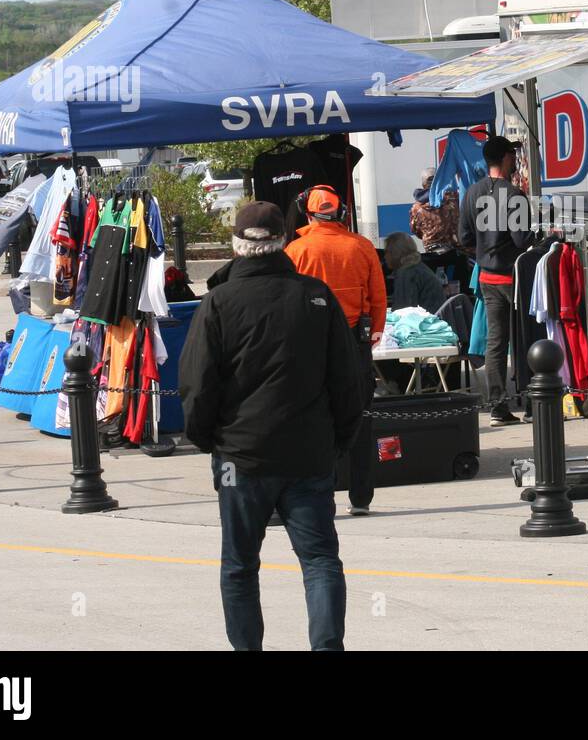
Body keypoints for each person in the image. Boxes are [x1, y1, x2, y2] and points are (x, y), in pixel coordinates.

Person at [179, 201, 365, 651]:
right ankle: (326, 647)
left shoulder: (220, 302)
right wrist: (336, 442)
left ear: (237, 246)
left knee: (240, 565)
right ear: (284, 241)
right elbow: (348, 382)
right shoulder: (315, 297)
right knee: (320, 560)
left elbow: (197, 385)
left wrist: (209, 442)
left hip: (240, 458)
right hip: (308, 454)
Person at [285, 185, 387, 515]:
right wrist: (376, 331)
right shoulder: (362, 246)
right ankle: (361, 498)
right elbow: (379, 296)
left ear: (308, 213)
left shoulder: (296, 251)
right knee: (361, 419)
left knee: (317, 422)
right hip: (356, 344)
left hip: (313, 346)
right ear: (341, 212)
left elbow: (288, 302)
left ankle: (322, 495)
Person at [459, 135, 534, 425]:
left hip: (486, 278)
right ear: (504, 158)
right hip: (513, 277)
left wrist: (484, 246)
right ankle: (532, 405)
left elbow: (464, 237)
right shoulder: (514, 196)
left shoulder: (472, 193)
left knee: (496, 343)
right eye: (512, 155)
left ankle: (498, 409)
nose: (515, 160)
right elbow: (522, 239)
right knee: (526, 338)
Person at [383, 231, 446, 314]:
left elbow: (403, 311)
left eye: (386, 252)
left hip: (424, 323)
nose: (385, 257)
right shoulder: (418, 267)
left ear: (394, 253)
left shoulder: (406, 273)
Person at [409, 168, 460, 253]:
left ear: (423, 184)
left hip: (432, 252)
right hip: (455, 251)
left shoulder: (416, 208)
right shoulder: (454, 198)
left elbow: (416, 231)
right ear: (441, 181)